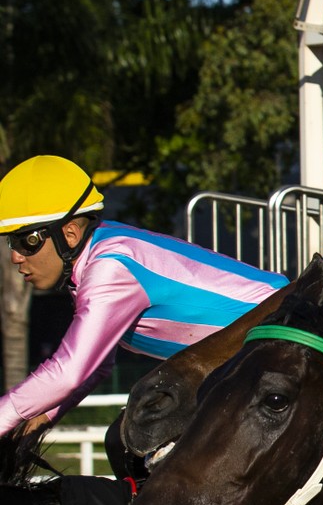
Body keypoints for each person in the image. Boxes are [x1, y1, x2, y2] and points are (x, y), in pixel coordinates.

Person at [0, 156, 284, 440]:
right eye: (11, 241)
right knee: (123, 441)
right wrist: (44, 416)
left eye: (28, 241)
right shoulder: (95, 258)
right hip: (252, 358)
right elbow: (97, 366)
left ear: (70, 234)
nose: (16, 256)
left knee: (140, 439)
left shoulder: (111, 267)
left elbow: (69, 371)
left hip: (280, 337)